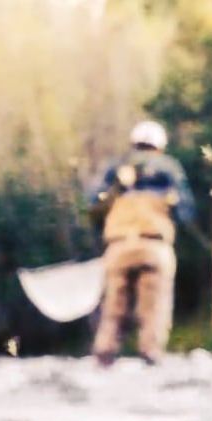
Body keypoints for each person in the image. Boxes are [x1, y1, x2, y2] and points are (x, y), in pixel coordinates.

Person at [85, 120, 196, 366]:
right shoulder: (169, 167)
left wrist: (119, 186)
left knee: (113, 309)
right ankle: (151, 356)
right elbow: (186, 212)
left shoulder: (116, 167)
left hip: (119, 247)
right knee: (154, 309)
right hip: (155, 247)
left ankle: (104, 357)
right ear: (160, 145)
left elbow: (92, 201)